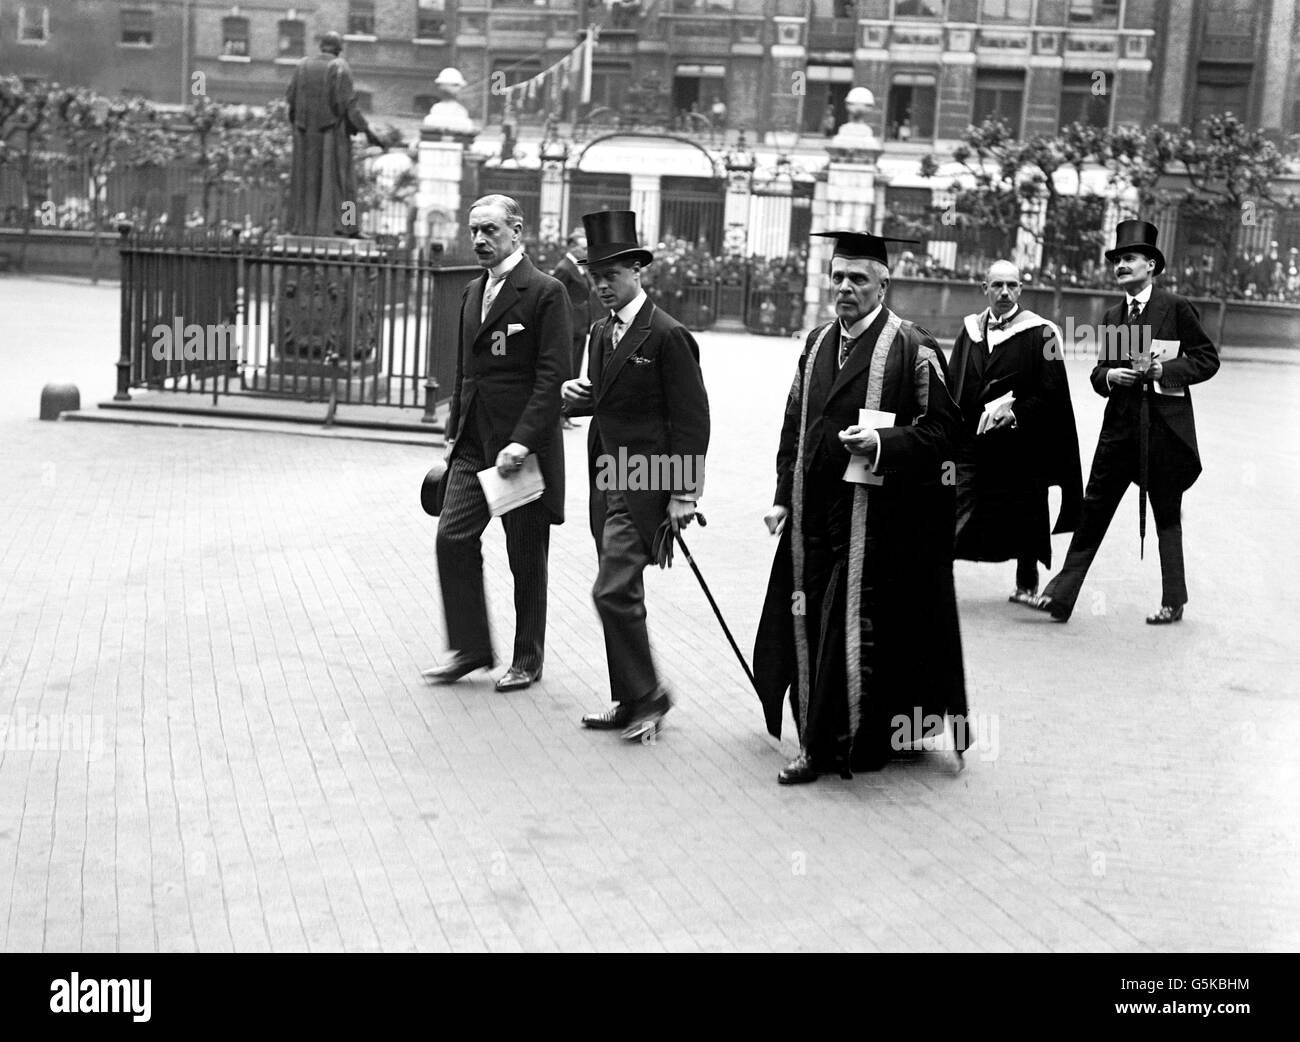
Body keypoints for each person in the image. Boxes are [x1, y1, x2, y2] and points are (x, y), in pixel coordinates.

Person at [753, 230, 969, 785]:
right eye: (838, 277)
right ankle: (830, 731)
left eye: (858, 279)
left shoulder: (912, 347)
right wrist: (781, 495)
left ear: (883, 284)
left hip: (876, 521)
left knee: (843, 626)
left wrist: (883, 444)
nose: (845, 288)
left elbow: (945, 434)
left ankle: (822, 748)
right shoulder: (816, 343)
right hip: (812, 512)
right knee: (807, 617)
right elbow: (794, 424)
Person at [562, 211, 711, 743]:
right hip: (606, 477)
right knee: (622, 592)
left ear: (637, 272)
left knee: (612, 590)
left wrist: (684, 494)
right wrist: (576, 396)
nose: (602, 285)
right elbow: (605, 398)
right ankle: (629, 699)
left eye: (612, 275)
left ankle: (650, 695)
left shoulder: (668, 334)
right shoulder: (601, 331)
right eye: (595, 276)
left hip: (647, 480)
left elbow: (692, 420)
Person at [1027, 220, 1219, 624]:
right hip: (1119, 430)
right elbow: (1100, 372)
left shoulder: (1175, 308)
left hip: (1163, 431)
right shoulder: (1115, 315)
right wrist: (1111, 376)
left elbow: (1206, 359)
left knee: (1166, 514)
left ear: (1151, 265)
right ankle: (1061, 596)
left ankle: (1173, 600)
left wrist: (1164, 371)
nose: (1121, 266)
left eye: (1129, 258)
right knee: (1093, 509)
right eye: (1116, 260)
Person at [423, 195, 572, 690]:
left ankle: (527, 657)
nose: (480, 239)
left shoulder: (545, 292)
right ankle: (470, 648)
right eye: (474, 231)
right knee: (452, 537)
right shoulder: (472, 290)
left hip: (518, 451)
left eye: (489, 229)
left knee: (525, 554)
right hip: (472, 442)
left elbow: (553, 376)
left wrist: (524, 441)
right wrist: (452, 433)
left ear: (516, 231)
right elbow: (465, 371)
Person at [949, 259, 1082, 602]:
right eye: (997, 285)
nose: (1005, 292)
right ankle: (936, 576)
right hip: (972, 440)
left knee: (1026, 508)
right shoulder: (970, 331)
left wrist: (1016, 413)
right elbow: (954, 382)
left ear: (1021, 289)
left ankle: (1026, 583)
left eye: (1012, 285)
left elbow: (1054, 393)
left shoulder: (1043, 332)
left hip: (1021, 443)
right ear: (985, 288)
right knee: (954, 501)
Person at [284, 32, 382, 237]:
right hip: (333, 138)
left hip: (305, 139)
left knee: (305, 183)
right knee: (345, 184)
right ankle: (348, 226)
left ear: (321, 46)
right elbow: (347, 106)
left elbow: (291, 102)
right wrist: (367, 131)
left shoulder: (302, 66)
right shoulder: (339, 67)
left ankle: (303, 226)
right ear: (339, 49)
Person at [550, 228, 593, 427]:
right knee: (566, 371)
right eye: (583, 248)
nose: (586, 252)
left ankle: (567, 413)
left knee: (575, 369)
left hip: (580, 327)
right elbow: (556, 297)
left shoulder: (579, 266)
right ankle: (560, 415)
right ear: (572, 247)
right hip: (570, 326)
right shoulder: (564, 267)